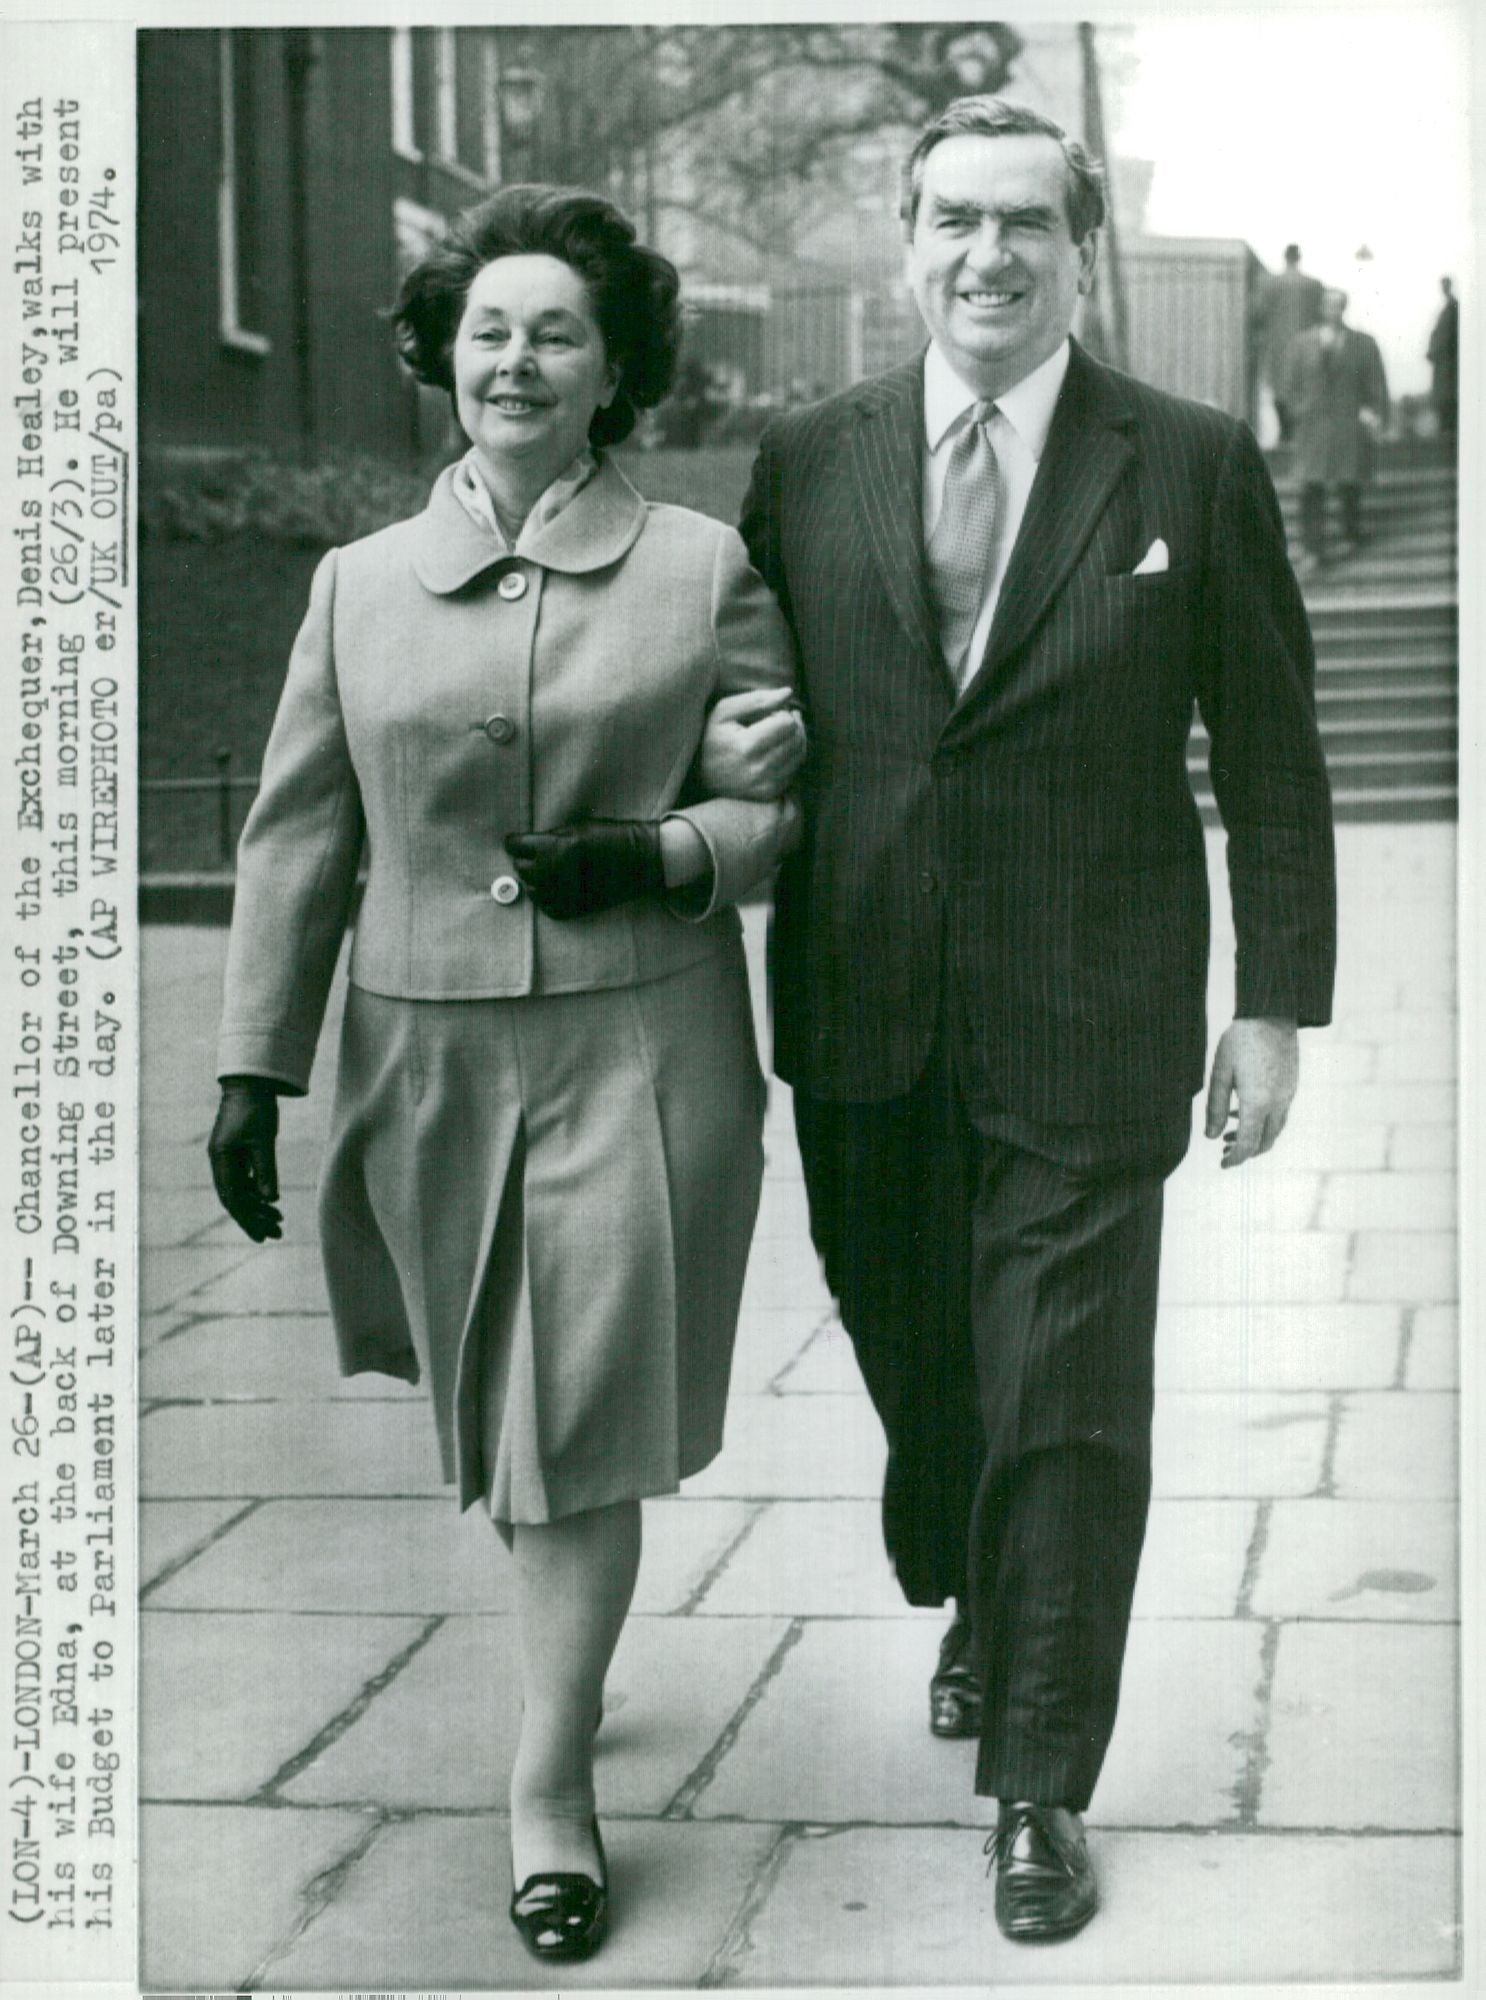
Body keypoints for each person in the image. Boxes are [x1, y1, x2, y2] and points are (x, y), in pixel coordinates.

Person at [733, 97, 1336, 1943]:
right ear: (906, 246)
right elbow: (760, 684)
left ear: (1081, 253)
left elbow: (1274, 749)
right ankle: (979, 1590)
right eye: (952, 223)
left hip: (1093, 1009)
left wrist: (1274, 1012)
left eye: (1024, 225)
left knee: (1065, 1393)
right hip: (863, 1002)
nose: (986, 256)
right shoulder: (805, 456)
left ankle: (1038, 1788)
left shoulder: (1192, 463)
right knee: (932, 1368)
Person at [207, 184, 804, 1965]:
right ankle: (576, 1655)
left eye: (555, 329)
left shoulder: (699, 566)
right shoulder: (355, 585)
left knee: (575, 1432)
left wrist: (665, 849)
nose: (515, 358)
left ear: (612, 366)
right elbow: (297, 836)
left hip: (645, 1048)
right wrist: (253, 1061)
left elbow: (778, 802)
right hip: (425, 1060)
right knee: (501, 1423)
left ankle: (548, 1789)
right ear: (441, 359)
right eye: (485, 328)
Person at [1283, 286, 1390, 574]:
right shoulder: (1301, 344)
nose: (1334, 310)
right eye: (1329, 305)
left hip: (1347, 425)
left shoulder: (1364, 344)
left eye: (1339, 305)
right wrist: (1300, 411)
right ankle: (1312, 549)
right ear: (1321, 308)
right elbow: (1289, 385)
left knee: (1349, 482)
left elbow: (1376, 384)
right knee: (1311, 487)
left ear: (1345, 308)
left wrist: (1373, 416)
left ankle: (1350, 535)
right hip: (1312, 427)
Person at [1254, 243, 1323, 442]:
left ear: (1285, 258)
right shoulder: (1313, 285)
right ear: (1299, 258)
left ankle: (1286, 433)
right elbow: (1321, 316)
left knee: (1280, 388)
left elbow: (1259, 313)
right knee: (1304, 387)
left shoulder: (1269, 283)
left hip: (1278, 347)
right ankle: (1299, 434)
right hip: (1309, 348)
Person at [1427, 276, 1458, 443]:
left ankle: (1448, 433)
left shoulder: (1453, 307)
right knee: (1442, 398)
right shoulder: (1447, 308)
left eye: (1445, 285)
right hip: (1442, 364)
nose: (1443, 288)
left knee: (1448, 397)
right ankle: (1445, 432)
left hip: (1449, 365)